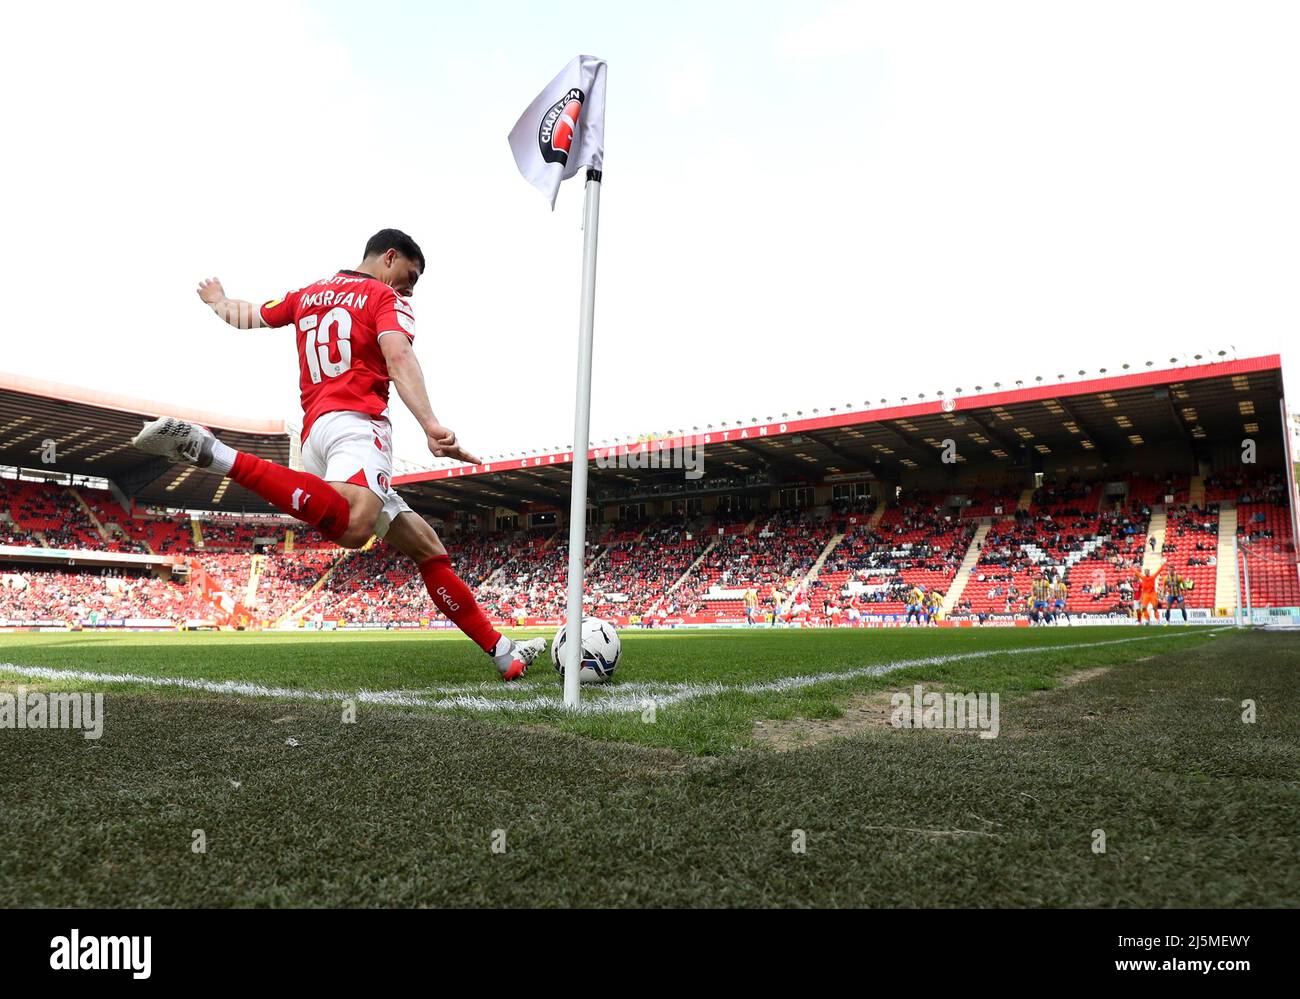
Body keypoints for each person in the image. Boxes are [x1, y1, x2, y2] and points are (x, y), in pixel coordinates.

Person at [131, 229, 545, 681]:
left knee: (429, 549)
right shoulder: (383, 297)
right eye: (410, 277)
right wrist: (430, 424)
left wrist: (218, 301)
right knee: (354, 527)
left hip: (317, 437)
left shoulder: (307, 295)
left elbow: (247, 316)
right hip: (357, 426)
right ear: (390, 257)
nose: (409, 290)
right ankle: (214, 452)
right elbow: (399, 356)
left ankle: (503, 651)